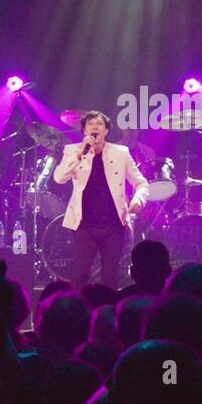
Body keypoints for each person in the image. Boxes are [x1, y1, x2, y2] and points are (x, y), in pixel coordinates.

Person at [53, 111, 149, 289]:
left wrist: (139, 200)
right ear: (84, 131)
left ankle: (107, 314)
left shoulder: (120, 152)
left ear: (106, 130)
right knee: (81, 273)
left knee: (110, 277)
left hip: (113, 224)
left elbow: (141, 183)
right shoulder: (73, 150)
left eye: (99, 124)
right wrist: (81, 152)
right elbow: (59, 178)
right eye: (90, 124)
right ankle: (78, 312)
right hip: (83, 224)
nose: (95, 127)